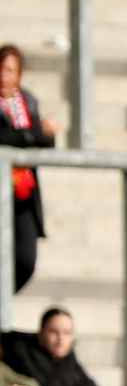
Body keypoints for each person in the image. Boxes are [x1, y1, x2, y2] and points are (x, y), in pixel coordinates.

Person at [0, 44, 58, 293]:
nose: (4, 76)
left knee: (25, 260)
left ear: (19, 75)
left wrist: (44, 133)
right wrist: (34, 133)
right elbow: (7, 136)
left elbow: (45, 141)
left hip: (22, 192)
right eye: (1, 69)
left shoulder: (28, 103)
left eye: (10, 70)